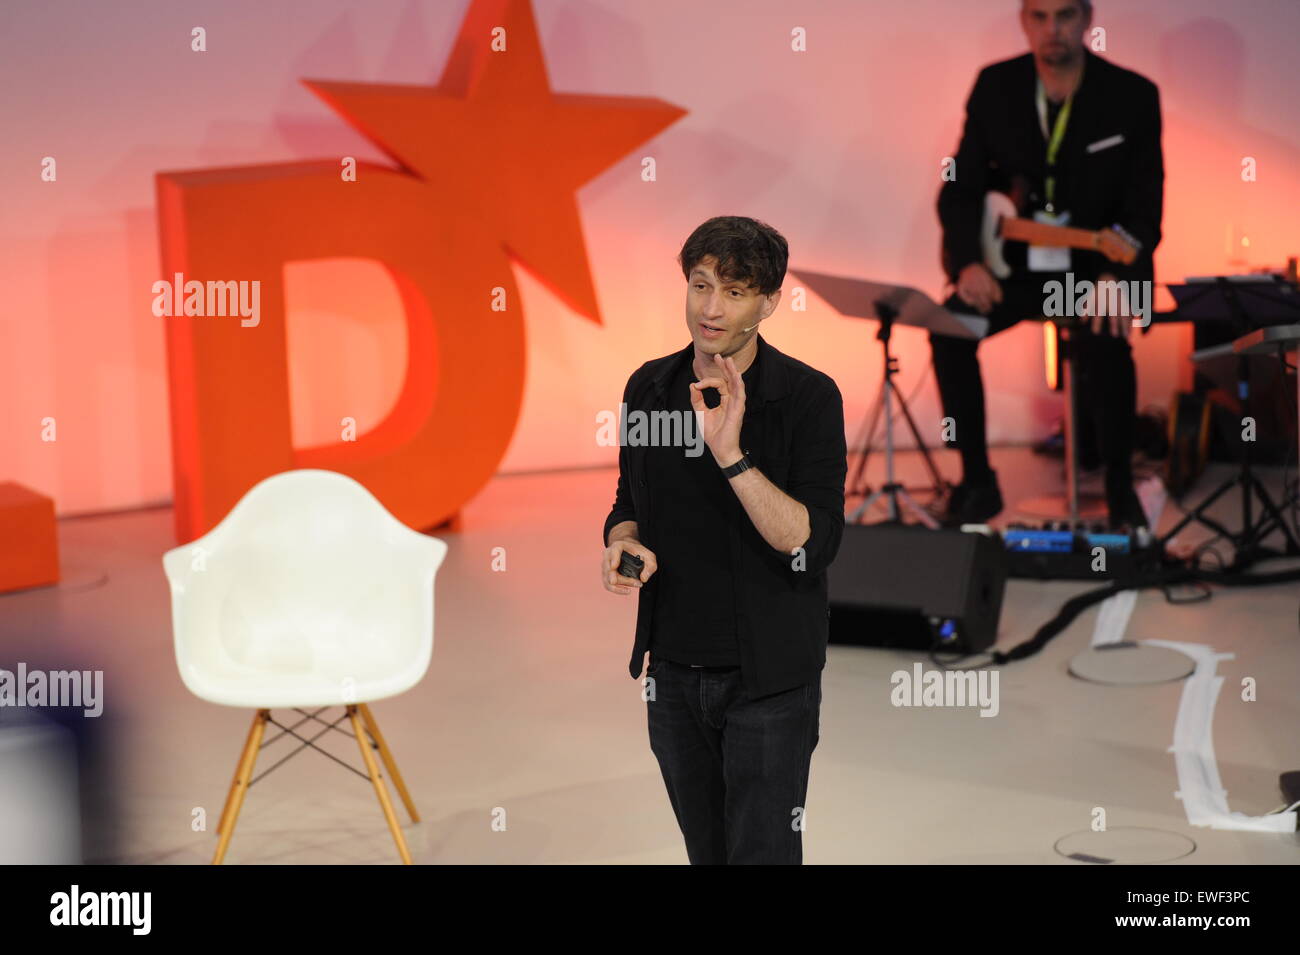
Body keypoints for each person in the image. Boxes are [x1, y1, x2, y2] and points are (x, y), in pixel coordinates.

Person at [600, 215, 846, 864]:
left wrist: (731, 453)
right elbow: (628, 501)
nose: (711, 308)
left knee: (762, 853)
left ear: (768, 303)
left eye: (734, 292)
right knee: (707, 852)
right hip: (674, 674)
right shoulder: (649, 387)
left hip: (768, 680)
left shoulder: (807, 399)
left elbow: (811, 544)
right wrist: (622, 543)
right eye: (701, 284)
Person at [929, 0, 1163, 527]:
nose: (1051, 29)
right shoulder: (995, 86)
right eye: (1039, 15)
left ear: (1087, 19)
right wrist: (968, 263)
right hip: (1012, 271)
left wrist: (1114, 278)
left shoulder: (1133, 96)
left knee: (1106, 337)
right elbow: (959, 191)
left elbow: (1145, 207)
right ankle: (977, 481)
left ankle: (1121, 486)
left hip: (1095, 270)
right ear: (1023, 20)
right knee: (948, 331)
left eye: (1064, 15)